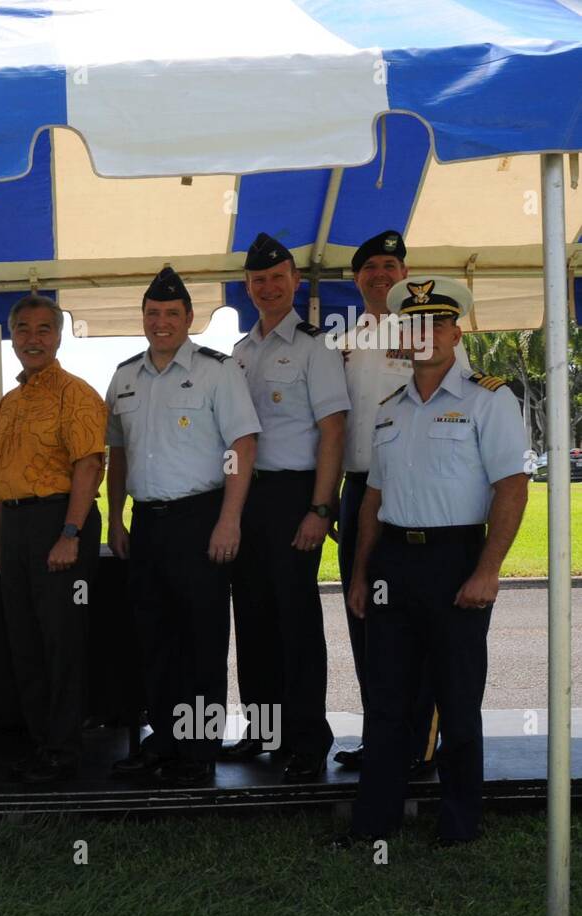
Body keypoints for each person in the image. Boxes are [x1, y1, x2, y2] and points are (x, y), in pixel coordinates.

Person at [339, 276, 529, 846]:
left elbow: (513, 487)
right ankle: (376, 821)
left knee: (458, 700)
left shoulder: (488, 398)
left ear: (455, 332)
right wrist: (359, 574)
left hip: (456, 560)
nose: (427, 335)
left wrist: (488, 569)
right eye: (415, 326)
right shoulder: (391, 408)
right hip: (394, 562)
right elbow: (373, 497)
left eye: (438, 324)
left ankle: (459, 823)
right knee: (388, 700)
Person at [105, 269, 261, 786]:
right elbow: (118, 453)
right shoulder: (125, 376)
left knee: (202, 641)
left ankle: (199, 750)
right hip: (147, 523)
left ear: (189, 319)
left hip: (202, 520)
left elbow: (242, 447)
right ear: (143, 318)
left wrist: (229, 519)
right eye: (153, 314)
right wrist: (116, 517)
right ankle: (166, 741)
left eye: (172, 314)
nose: (161, 322)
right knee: (155, 638)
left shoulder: (218, 371)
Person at [334, 231, 468, 775]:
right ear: (357, 278)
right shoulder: (341, 340)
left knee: (419, 621)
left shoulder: (428, 333)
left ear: (406, 272)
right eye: (370, 267)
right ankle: (381, 737)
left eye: (391, 265)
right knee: (366, 617)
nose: (380, 274)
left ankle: (422, 741)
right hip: (359, 489)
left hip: (414, 489)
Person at [222, 232, 350, 782]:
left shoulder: (315, 347)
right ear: (247, 288)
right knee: (252, 619)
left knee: (295, 621)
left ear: (295, 283)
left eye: (278, 278)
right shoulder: (239, 354)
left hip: (293, 494)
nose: (268, 287)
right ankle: (263, 730)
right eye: (258, 280)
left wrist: (321, 508)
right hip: (245, 498)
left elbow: (334, 432)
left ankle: (306, 739)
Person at [0, 294, 105, 784]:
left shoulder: (76, 393)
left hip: (60, 520)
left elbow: (89, 465)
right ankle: (41, 745)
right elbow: (1, 476)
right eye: (23, 329)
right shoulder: (8, 403)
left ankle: (64, 751)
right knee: (25, 642)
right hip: (15, 528)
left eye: (43, 330)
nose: (32, 339)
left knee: (61, 642)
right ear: (11, 335)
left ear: (58, 336)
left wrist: (70, 533)